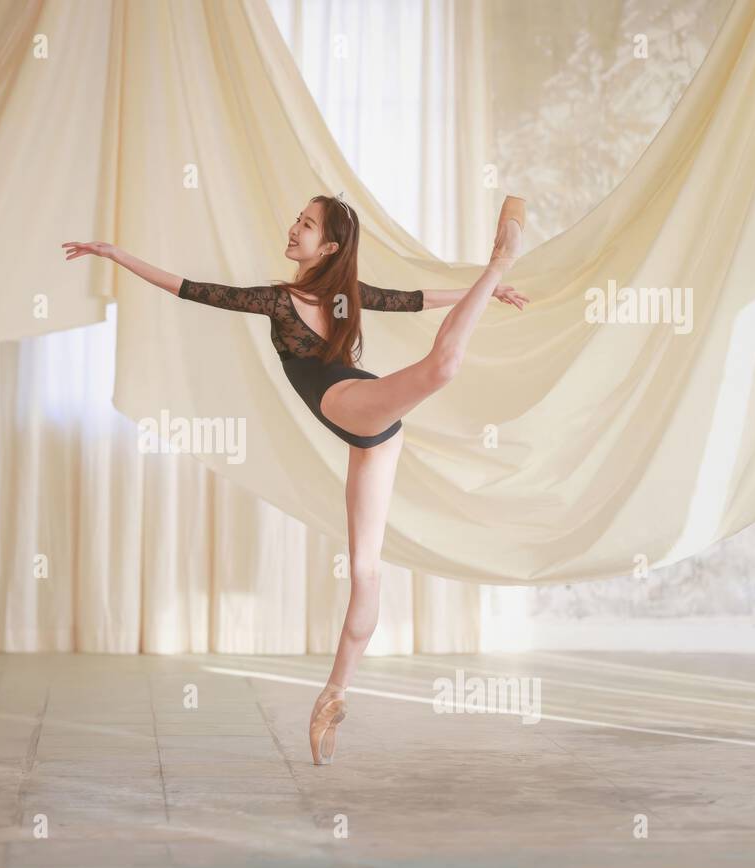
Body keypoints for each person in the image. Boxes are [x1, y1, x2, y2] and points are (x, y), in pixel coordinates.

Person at [62, 193, 527, 765]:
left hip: (362, 406)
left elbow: (416, 300)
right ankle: (335, 695)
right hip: (371, 432)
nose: (294, 228)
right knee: (364, 573)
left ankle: (500, 259)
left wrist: (488, 284)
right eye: (299, 221)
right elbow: (189, 287)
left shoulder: (343, 296)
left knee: (443, 366)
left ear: (327, 246)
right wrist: (115, 254)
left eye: (306, 225)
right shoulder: (277, 301)